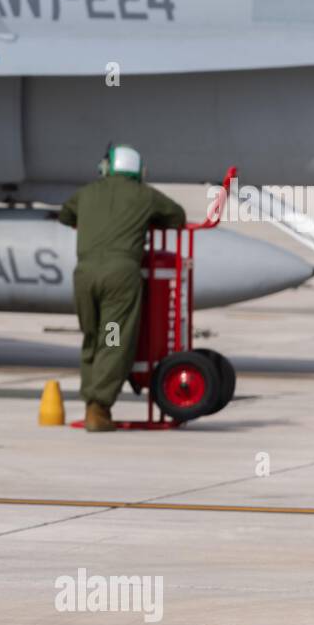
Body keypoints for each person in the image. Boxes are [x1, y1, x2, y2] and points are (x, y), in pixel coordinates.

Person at [59, 144, 186, 432]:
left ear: (106, 169)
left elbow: (66, 215)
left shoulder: (87, 193)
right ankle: (99, 407)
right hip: (118, 279)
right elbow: (176, 216)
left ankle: (91, 398)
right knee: (113, 340)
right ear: (138, 172)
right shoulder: (144, 195)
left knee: (92, 337)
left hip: (85, 276)